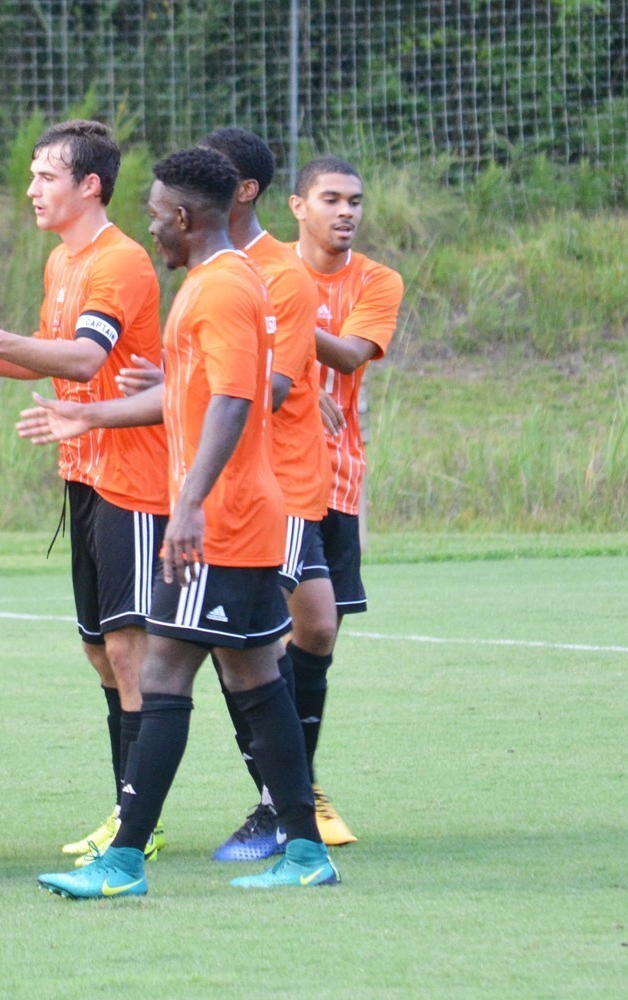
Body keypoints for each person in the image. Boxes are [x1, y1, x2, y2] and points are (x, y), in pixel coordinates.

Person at [35, 146, 339, 898]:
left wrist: (191, 504)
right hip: (229, 516)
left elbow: (237, 401)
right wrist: (93, 416)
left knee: (169, 672)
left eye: (155, 217)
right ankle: (304, 849)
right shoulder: (210, 282)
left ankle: (126, 859)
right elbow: (190, 400)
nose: (151, 230)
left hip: (226, 522)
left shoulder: (226, 289)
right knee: (253, 677)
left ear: (182, 217)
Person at [0, 120, 168, 862]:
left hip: (137, 480)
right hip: (84, 477)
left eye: (45, 176)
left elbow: (84, 361)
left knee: (130, 650)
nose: (31, 189)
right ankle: (130, 811)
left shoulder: (120, 262)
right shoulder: (64, 262)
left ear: (90, 185)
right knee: (101, 652)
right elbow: (43, 354)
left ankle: (136, 822)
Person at [195, 128, 339, 862]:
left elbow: (269, 389)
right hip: (240, 485)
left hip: (278, 483)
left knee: (288, 633)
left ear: (243, 190)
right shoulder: (209, 265)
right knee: (262, 639)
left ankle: (284, 804)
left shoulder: (280, 275)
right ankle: (286, 801)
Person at [292, 155, 403, 846]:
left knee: (318, 635)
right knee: (271, 640)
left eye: (355, 201)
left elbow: (352, 355)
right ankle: (295, 793)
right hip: (271, 481)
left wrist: (281, 331)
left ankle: (293, 786)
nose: (346, 212)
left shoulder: (376, 280)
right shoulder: (266, 265)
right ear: (298, 205)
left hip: (339, 482)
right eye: (330, 198)